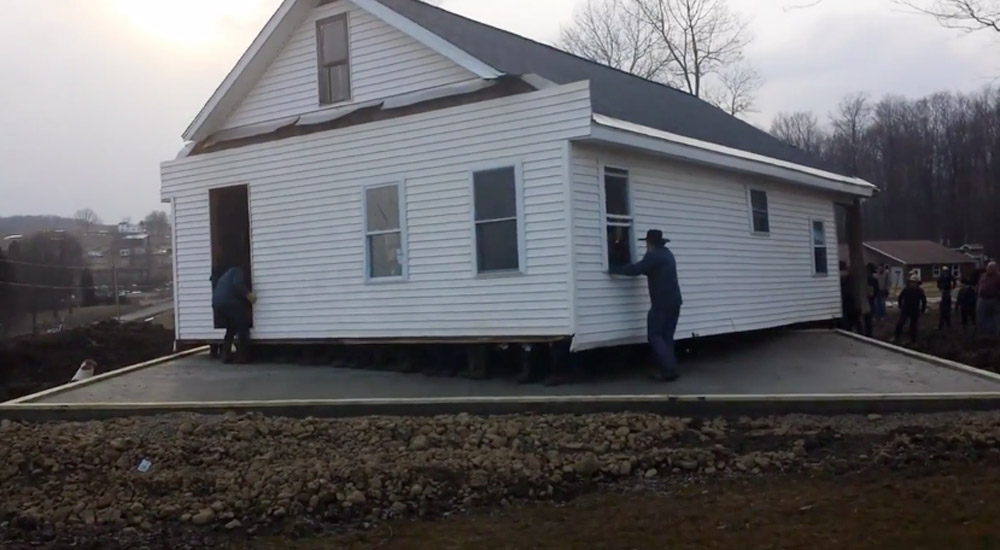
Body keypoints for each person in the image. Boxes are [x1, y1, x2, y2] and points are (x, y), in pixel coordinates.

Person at [610, 229, 683, 382]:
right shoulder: (667, 254)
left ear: (650, 243)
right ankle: (671, 369)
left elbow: (637, 269)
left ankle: (668, 370)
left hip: (661, 303)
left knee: (654, 335)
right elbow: (649, 269)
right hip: (675, 301)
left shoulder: (654, 256)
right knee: (667, 337)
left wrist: (615, 269)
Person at [211, 265, 257, 363]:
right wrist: (249, 295)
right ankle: (242, 358)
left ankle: (225, 356)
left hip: (217, 304)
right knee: (242, 328)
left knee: (230, 329)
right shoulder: (237, 271)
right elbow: (238, 284)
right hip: (230, 303)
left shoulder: (225, 276)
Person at [895, 274, 927, 344]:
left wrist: (922, 310)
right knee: (900, 323)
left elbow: (924, 300)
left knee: (913, 326)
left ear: (917, 283)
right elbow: (900, 297)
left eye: (915, 282)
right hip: (906, 309)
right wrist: (900, 305)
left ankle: (913, 340)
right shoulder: (906, 289)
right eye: (912, 282)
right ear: (909, 282)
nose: (913, 284)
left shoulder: (919, 291)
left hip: (914, 310)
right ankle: (896, 336)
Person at [976, 261, 1000, 338]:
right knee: (981, 317)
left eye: (991, 268)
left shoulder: (998, 277)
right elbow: (979, 284)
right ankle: (983, 333)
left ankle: (993, 334)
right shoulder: (983, 276)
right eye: (988, 267)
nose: (988, 269)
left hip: (993, 299)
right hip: (982, 299)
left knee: (993, 318)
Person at [840, 261, 863, 334]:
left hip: (846, 302)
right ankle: (860, 332)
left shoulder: (840, 276)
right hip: (852, 301)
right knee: (855, 320)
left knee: (849, 320)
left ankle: (849, 331)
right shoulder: (850, 277)